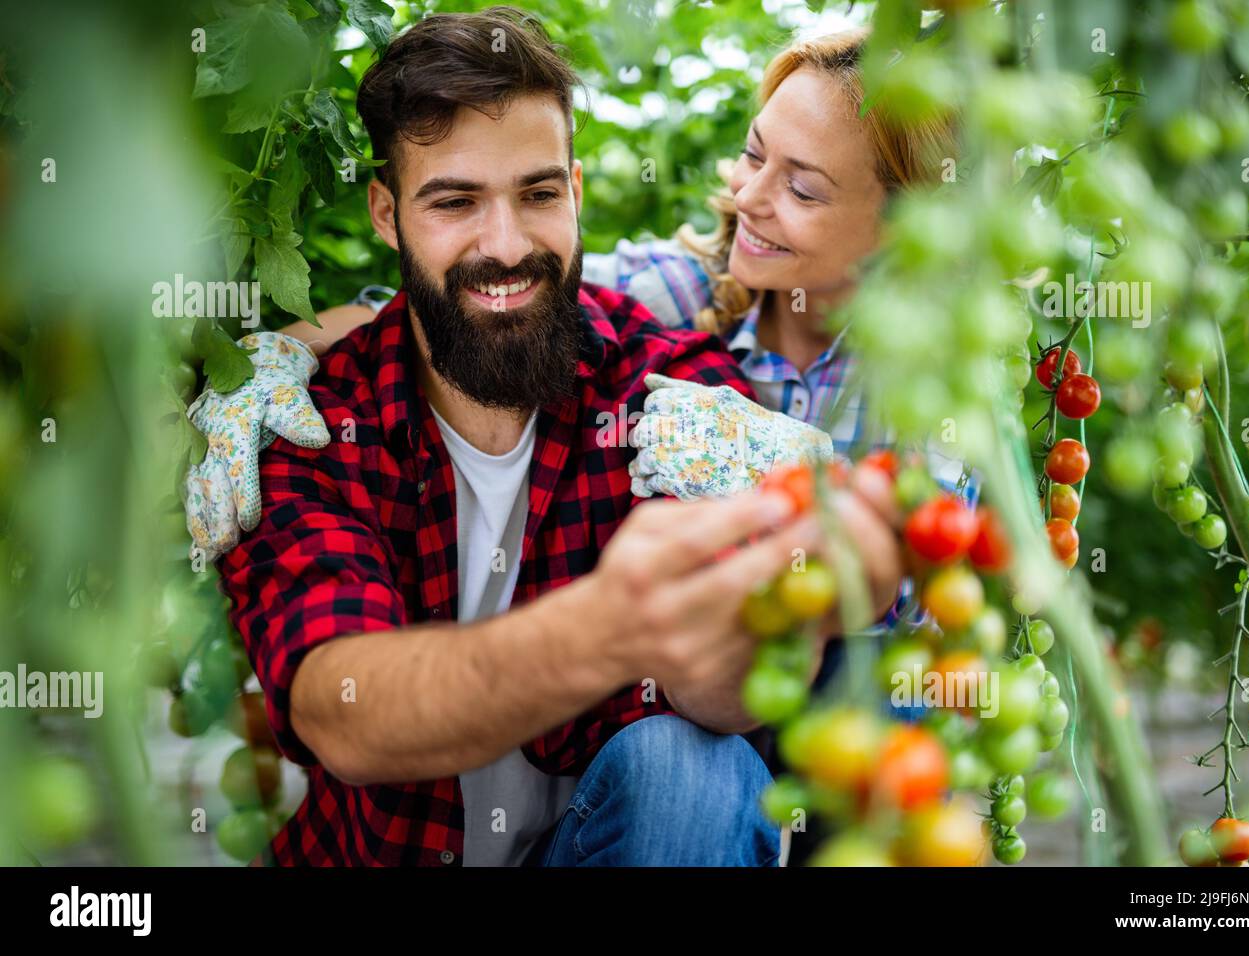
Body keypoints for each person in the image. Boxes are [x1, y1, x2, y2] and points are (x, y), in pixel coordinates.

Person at [191, 7, 904, 867]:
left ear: (573, 188)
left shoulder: (676, 387)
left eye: (537, 194)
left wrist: (778, 589)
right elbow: (345, 717)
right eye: (454, 201)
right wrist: (614, 622)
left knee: (695, 768)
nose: (506, 246)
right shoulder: (313, 425)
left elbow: (719, 704)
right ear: (387, 215)